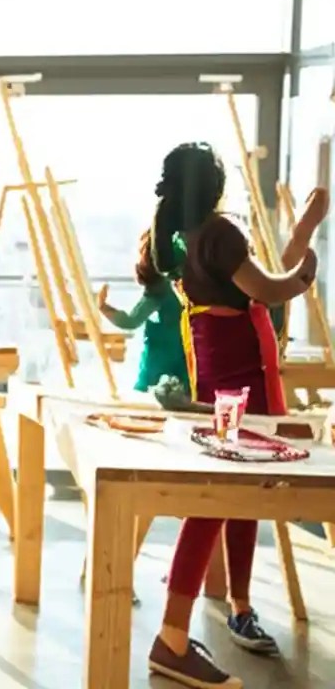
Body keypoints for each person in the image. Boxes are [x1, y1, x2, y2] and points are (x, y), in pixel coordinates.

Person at [144, 142, 327, 689]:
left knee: (232, 491)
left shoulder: (180, 234)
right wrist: (303, 276)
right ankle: (174, 637)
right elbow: (266, 290)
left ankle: (227, 610)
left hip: (218, 364)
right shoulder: (218, 233)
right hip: (240, 366)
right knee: (218, 497)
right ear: (215, 185)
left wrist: (300, 242)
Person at [96, 227, 189, 392]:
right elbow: (130, 321)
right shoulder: (161, 287)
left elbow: (130, 321)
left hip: (178, 354)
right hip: (170, 356)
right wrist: (103, 307)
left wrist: (103, 307)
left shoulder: (162, 286)